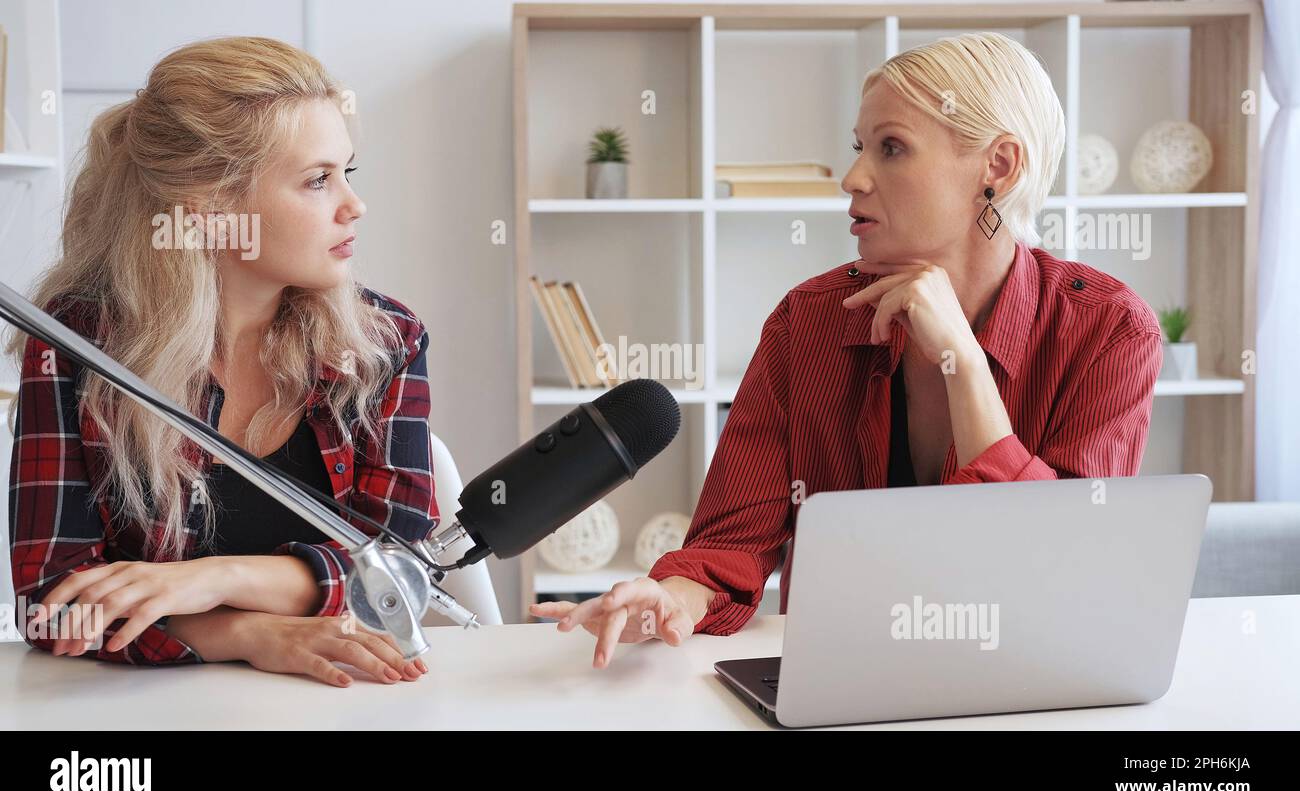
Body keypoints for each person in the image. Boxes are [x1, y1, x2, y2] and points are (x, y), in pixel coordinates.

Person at [533, 32, 1163, 668]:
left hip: (1026, 680)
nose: (852, 178)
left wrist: (966, 367)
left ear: (997, 166)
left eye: (892, 148)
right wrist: (670, 599)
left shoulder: (1109, 330)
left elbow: (1068, 574)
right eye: (861, 148)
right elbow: (730, 546)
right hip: (839, 678)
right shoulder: (808, 322)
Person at [7, 37, 433, 688]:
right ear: (213, 207)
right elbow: (53, 604)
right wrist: (244, 633)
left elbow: (403, 573)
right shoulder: (79, 339)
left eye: (348, 172)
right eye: (318, 180)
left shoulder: (385, 341)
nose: (354, 205)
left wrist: (214, 579)